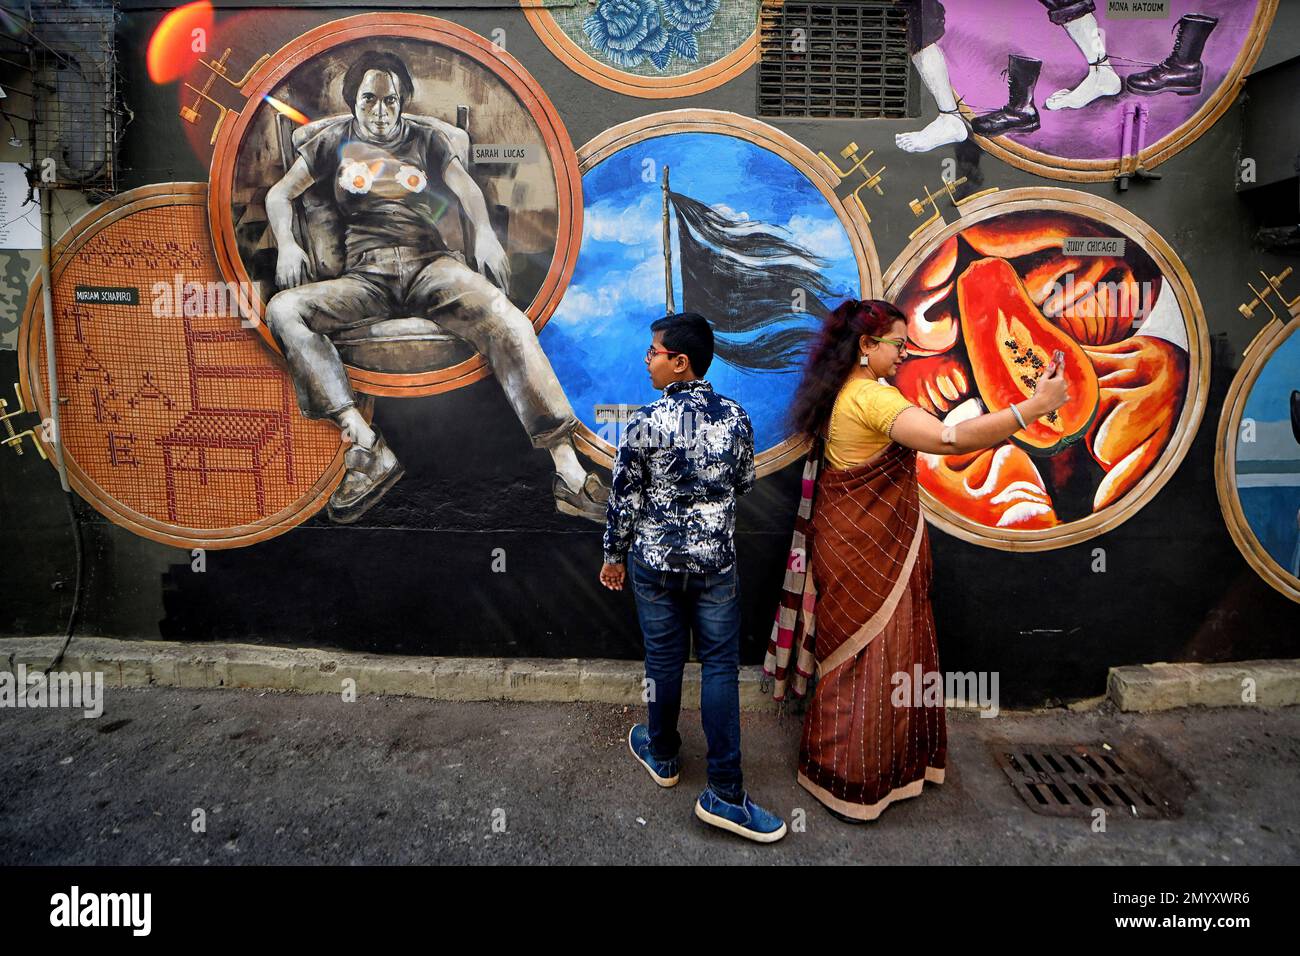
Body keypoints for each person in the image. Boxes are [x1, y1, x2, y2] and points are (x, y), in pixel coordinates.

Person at [263, 50, 608, 523]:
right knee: (284, 309)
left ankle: (568, 473)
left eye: (390, 101)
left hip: (432, 267)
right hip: (366, 277)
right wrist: (286, 244)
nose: (380, 113)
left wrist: (485, 233)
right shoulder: (332, 141)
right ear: (354, 101)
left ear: (402, 100)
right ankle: (365, 446)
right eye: (369, 101)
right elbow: (279, 193)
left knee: (508, 319)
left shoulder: (426, 139)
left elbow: (466, 188)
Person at [766, 299, 1068, 821]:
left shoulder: (849, 392)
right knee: (871, 659)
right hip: (868, 551)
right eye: (897, 345)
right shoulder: (872, 400)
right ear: (866, 346)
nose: (904, 354)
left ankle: (879, 768)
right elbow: (949, 439)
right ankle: (851, 779)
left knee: (872, 660)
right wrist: (1033, 409)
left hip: (853, 544)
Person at [599, 313, 786, 843]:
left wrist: (613, 556)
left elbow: (623, 500)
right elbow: (744, 481)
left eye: (654, 352)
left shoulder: (641, 422)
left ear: (680, 362)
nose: (647, 359)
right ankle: (726, 793)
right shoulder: (735, 418)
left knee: (662, 661)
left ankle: (662, 755)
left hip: (654, 566)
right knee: (720, 670)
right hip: (715, 567)